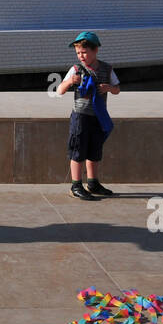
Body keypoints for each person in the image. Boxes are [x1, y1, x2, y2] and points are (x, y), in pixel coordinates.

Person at [56, 31, 121, 200]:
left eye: (84, 52)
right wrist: (70, 82)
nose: (81, 56)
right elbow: (60, 90)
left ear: (95, 50)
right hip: (81, 116)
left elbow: (117, 89)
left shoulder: (107, 69)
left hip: (98, 115)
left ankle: (93, 183)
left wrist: (108, 88)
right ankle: (76, 185)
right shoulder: (76, 69)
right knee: (78, 149)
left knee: (95, 150)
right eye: (78, 53)